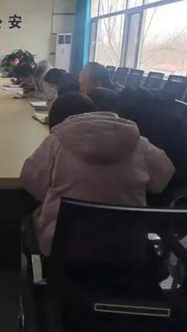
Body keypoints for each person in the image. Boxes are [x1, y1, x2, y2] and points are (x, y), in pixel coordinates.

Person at [20, 92, 175, 256]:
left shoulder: (56, 142)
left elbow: (32, 182)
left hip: (64, 246)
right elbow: (162, 180)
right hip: (127, 248)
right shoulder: (138, 143)